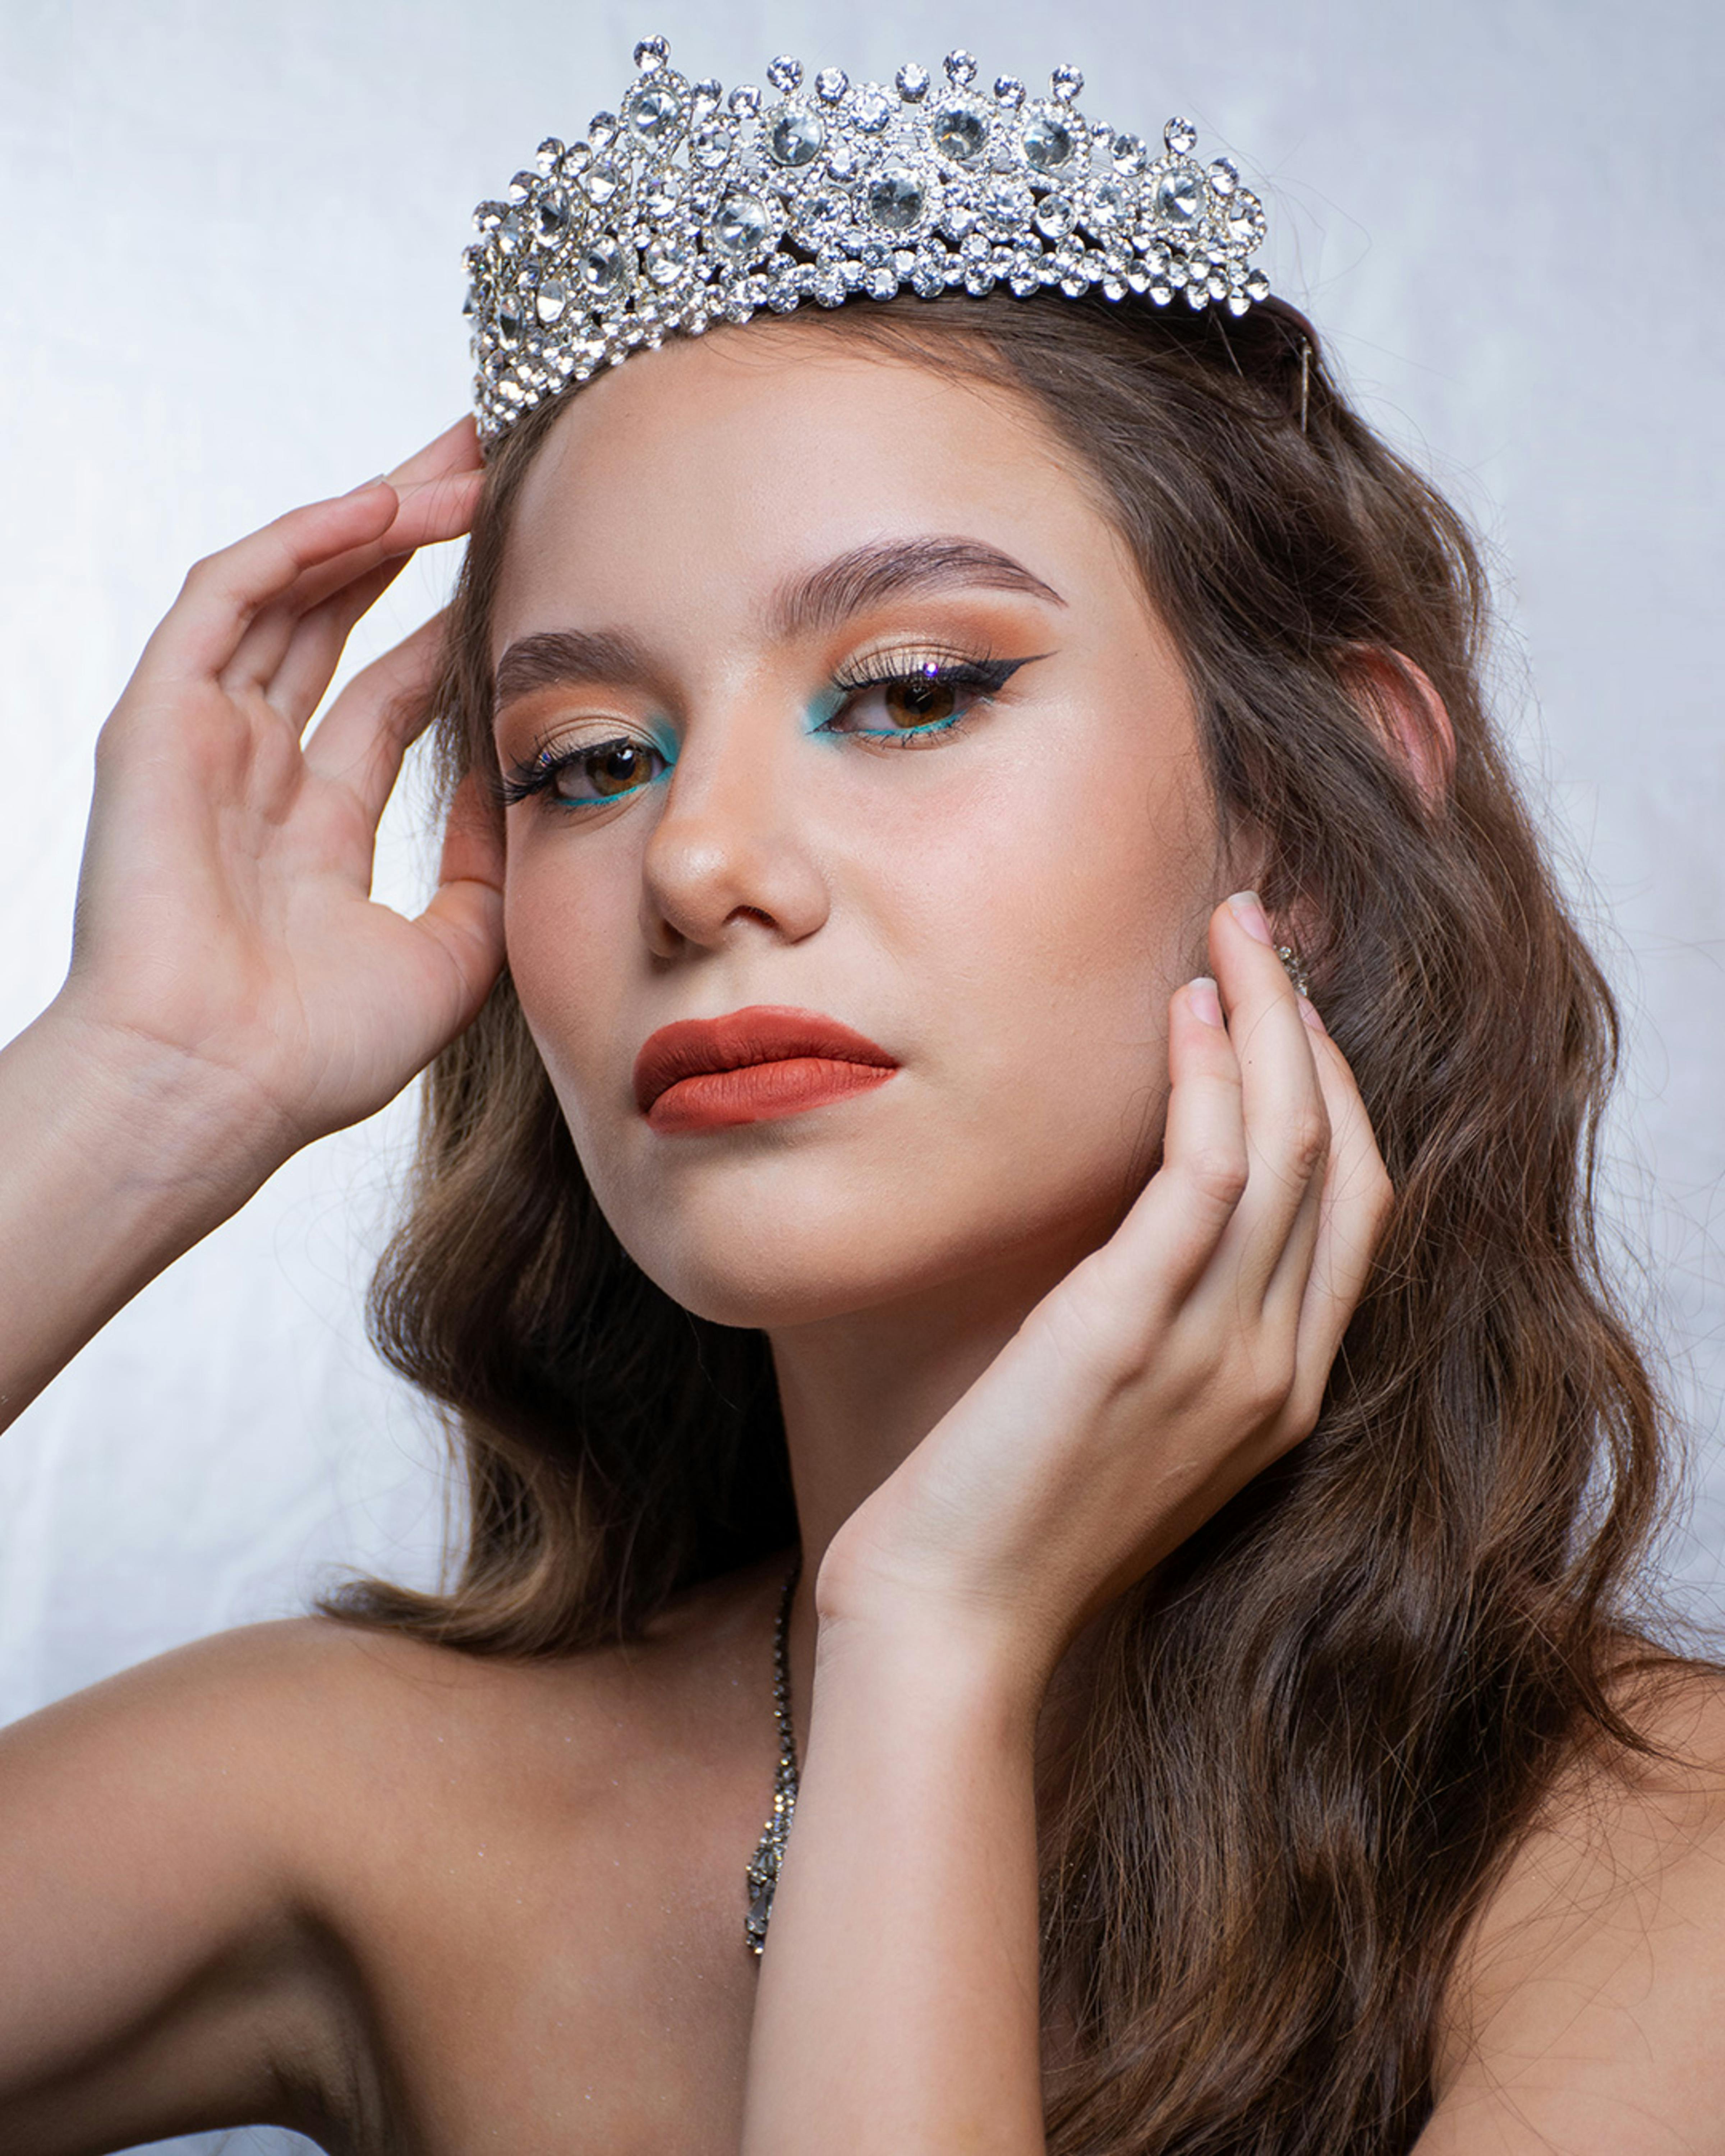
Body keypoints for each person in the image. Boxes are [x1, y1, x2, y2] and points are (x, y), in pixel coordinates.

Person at [3, 36, 1723, 2156]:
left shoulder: (1659, 1885)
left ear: (1319, 801)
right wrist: (136, 1092)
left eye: (910, 693)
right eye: (586, 761)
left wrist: (932, 1653)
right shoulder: (376, 1804)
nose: (703, 860)